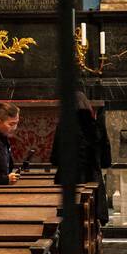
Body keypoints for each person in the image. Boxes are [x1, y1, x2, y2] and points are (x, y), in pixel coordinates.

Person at [50, 86, 112, 224]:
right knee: (90, 216)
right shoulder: (95, 125)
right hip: (92, 176)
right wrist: (101, 163)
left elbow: (55, 156)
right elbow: (106, 152)